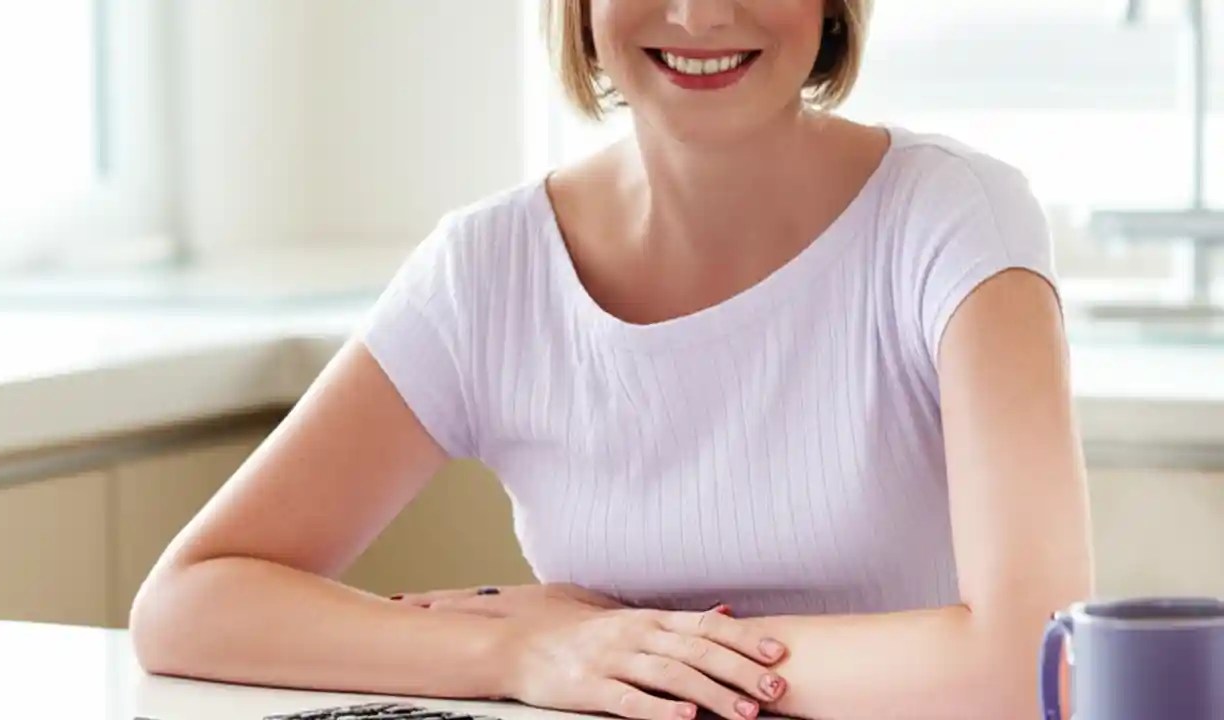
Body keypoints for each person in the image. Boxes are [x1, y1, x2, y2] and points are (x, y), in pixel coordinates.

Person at [130, 1, 1093, 718]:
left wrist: (632, 652)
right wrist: (523, 657)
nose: (702, 12)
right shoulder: (490, 269)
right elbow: (191, 603)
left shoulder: (954, 220)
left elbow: (1032, 659)